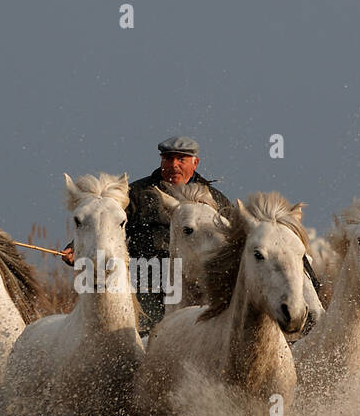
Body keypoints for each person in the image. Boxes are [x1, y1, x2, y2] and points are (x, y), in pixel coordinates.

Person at [62, 135, 320, 332]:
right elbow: (105, 223)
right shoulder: (137, 193)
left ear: (195, 162)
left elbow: (236, 240)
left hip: (201, 281)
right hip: (148, 277)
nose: (174, 165)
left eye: (181, 159)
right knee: (141, 334)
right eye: (168, 159)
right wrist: (77, 246)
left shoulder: (216, 200)